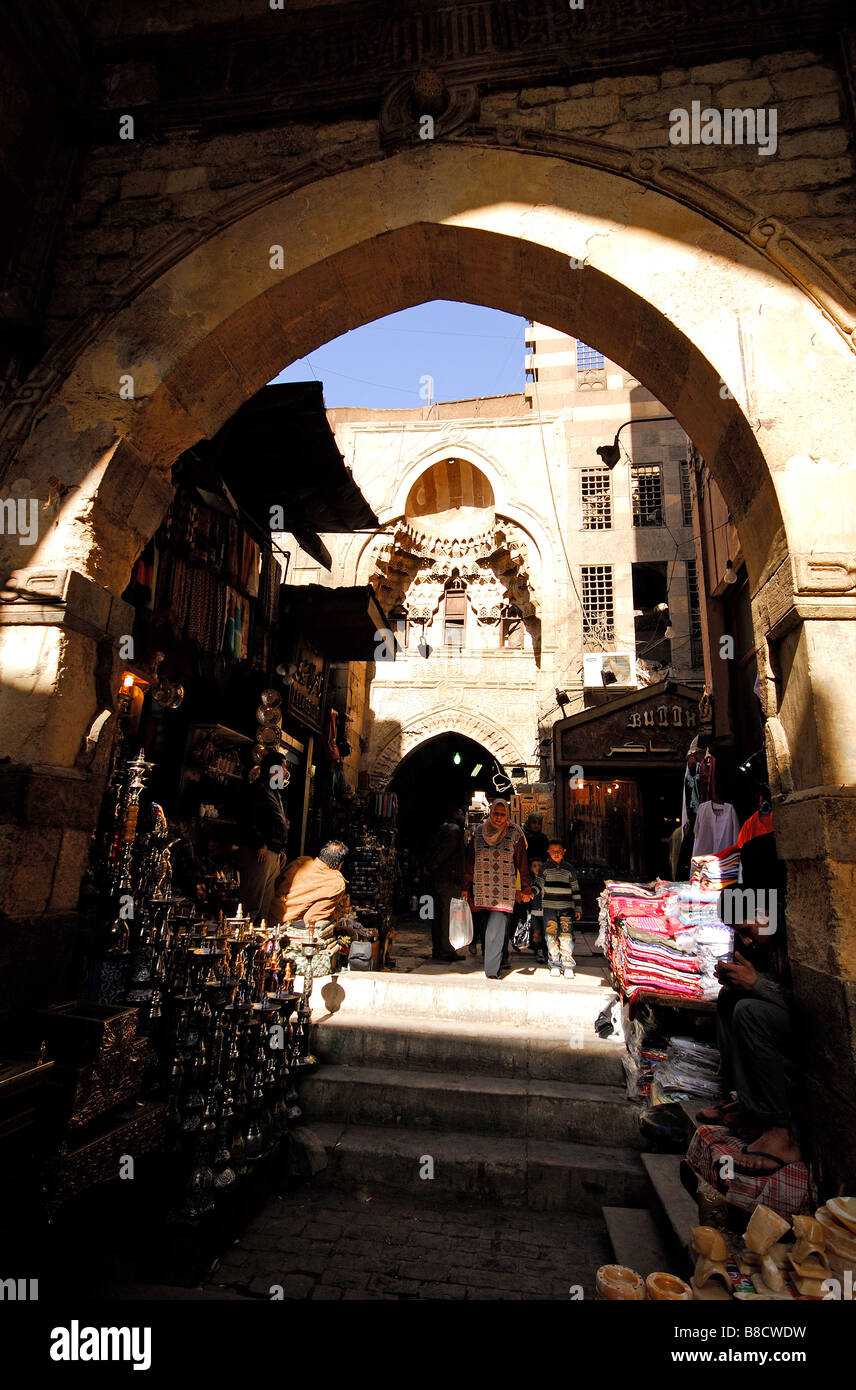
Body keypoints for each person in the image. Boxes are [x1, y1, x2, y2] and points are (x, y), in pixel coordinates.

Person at [698, 910, 800, 1175]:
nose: (746, 941)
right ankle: (745, 1101)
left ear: (765, 916)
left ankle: (780, 1134)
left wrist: (756, 983)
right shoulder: (764, 944)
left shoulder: (796, 936)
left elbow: (807, 1005)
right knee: (729, 998)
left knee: (750, 1011)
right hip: (784, 1026)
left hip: (809, 1034)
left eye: (747, 931)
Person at [461, 799, 531, 980]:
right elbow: (471, 861)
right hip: (483, 888)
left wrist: (525, 888)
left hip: (504, 889)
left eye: (502, 814)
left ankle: (491, 970)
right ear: (491, 813)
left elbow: (522, 862)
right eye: (496, 814)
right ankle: (499, 961)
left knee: (495, 929)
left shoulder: (515, 833)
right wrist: (466, 887)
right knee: (489, 929)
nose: (499, 818)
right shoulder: (479, 832)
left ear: (507, 815)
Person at [237, 751, 289, 924]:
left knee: (266, 904)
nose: (285, 772)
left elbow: (276, 823)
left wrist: (281, 849)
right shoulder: (258, 789)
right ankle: (242, 942)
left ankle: (259, 943)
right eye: (283, 767)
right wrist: (260, 843)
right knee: (252, 901)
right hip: (260, 852)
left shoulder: (275, 793)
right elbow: (248, 818)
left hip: (273, 853)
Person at [423, 806, 467, 962]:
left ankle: (438, 949)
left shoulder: (442, 829)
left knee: (439, 915)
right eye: (461, 813)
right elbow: (445, 852)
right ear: (455, 813)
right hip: (448, 878)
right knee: (447, 916)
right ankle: (446, 951)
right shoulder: (454, 831)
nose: (463, 816)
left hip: (440, 877)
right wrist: (433, 865)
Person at [536, 839, 582, 980]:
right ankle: (555, 964)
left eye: (559, 851)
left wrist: (578, 907)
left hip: (566, 908)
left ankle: (568, 964)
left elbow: (575, 889)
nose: (556, 854)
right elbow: (539, 884)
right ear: (548, 852)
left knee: (566, 937)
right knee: (550, 936)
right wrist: (531, 893)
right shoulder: (544, 868)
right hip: (549, 908)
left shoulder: (569, 869)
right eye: (553, 851)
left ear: (564, 852)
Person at [275, 840, 349, 926]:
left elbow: (277, 883)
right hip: (288, 926)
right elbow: (311, 918)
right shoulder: (336, 882)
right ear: (340, 864)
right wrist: (336, 913)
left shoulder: (302, 861)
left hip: (269, 915)